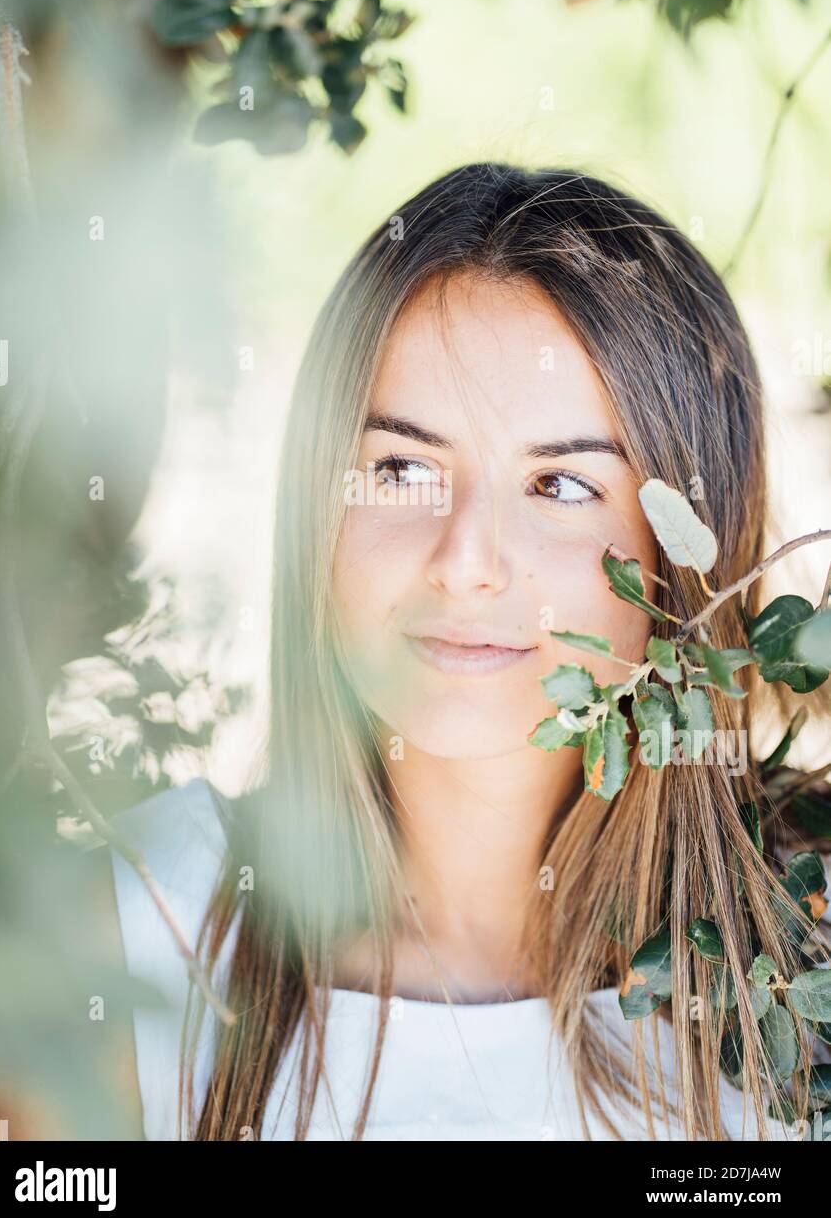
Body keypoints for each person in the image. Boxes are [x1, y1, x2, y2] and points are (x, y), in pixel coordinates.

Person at [110, 164, 829, 1141]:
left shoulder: (799, 964)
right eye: (401, 467)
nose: (463, 562)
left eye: (561, 486)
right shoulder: (141, 920)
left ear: (680, 556)